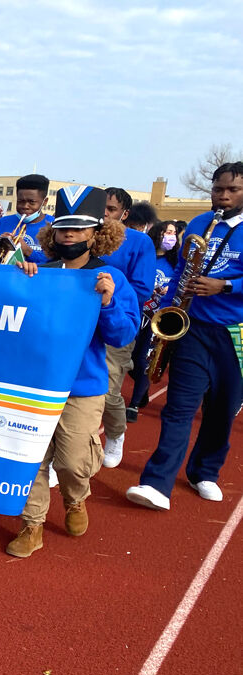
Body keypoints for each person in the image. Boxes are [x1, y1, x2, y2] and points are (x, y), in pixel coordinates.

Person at [4, 185, 138, 558]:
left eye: (79, 228)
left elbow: (123, 335)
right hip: (34, 384)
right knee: (31, 458)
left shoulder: (111, 277)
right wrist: (19, 283)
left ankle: (76, 497)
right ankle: (32, 526)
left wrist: (108, 302)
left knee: (73, 461)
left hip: (83, 385)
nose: (70, 235)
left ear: (97, 232)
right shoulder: (38, 272)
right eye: (64, 227)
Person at [127, 162, 243, 510]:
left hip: (234, 333)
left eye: (232, 190)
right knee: (178, 408)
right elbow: (181, 269)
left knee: (221, 412)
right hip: (191, 327)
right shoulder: (198, 223)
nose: (223, 196)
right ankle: (156, 483)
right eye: (218, 189)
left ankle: (203, 472)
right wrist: (167, 310)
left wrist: (225, 286)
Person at [98, 187, 157, 468]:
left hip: (116, 320)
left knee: (108, 391)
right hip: (80, 322)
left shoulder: (139, 242)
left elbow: (143, 289)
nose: (104, 214)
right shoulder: (85, 233)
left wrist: (109, 295)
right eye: (101, 208)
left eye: (111, 209)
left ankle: (115, 432)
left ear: (124, 214)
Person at [126, 220, 181, 421]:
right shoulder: (145, 257)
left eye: (174, 233)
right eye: (167, 232)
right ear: (158, 233)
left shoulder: (175, 262)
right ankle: (143, 389)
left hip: (157, 319)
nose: (171, 236)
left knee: (144, 361)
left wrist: (170, 291)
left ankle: (133, 404)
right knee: (130, 360)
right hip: (137, 314)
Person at [0, 174, 53, 264]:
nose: (25, 206)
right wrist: (0, 252)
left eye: (32, 202)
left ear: (45, 202)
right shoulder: (3, 222)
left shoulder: (53, 224)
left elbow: (56, 262)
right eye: (20, 201)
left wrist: (28, 251)